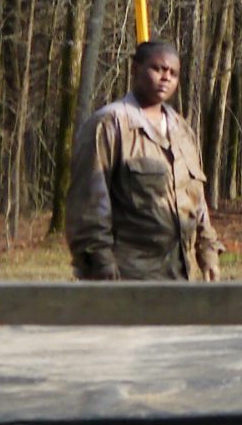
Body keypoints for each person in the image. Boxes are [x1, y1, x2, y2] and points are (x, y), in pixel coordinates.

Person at [64, 38, 219, 282]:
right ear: (135, 69)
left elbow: (196, 202)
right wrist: (101, 264)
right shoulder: (110, 125)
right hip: (126, 277)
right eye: (157, 68)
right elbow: (89, 205)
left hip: (179, 277)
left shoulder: (182, 131)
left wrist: (208, 252)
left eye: (173, 73)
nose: (166, 77)